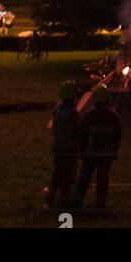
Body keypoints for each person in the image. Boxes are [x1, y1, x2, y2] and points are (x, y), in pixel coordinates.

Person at [71, 87, 122, 212]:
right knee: (102, 179)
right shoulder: (113, 117)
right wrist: (114, 151)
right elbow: (117, 135)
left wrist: (81, 150)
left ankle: (78, 200)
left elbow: (81, 134)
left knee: (84, 177)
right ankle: (100, 202)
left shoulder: (89, 116)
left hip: (90, 154)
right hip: (106, 155)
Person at [45, 81, 81, 209]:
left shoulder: (57, 110)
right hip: (69, 149)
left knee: (57, 173)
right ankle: (65, 201)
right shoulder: (73, 113)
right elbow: (77, 131)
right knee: (68, 175)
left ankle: (50, 196)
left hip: (57, 147)